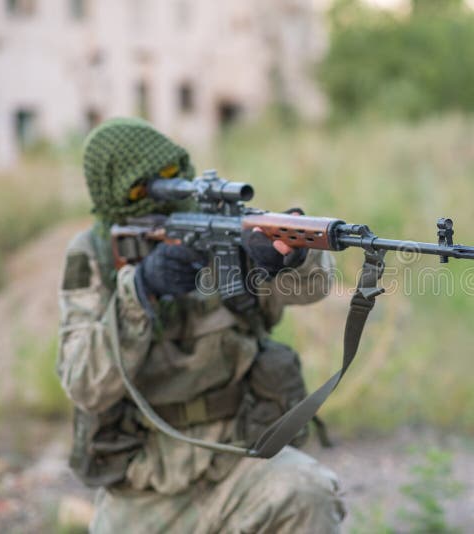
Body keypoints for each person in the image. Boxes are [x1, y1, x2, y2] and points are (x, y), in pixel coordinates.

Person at [57, 117, 345, 533]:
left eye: (172, 176)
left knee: (308, 493)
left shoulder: (226, 231)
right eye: (142, 189)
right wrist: (140, 291)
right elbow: (84, 382)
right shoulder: (93, 255)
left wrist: (292, 258)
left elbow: (311, 288)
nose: (163, 192)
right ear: (113, 194)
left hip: (239, 460)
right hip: (145, 483)